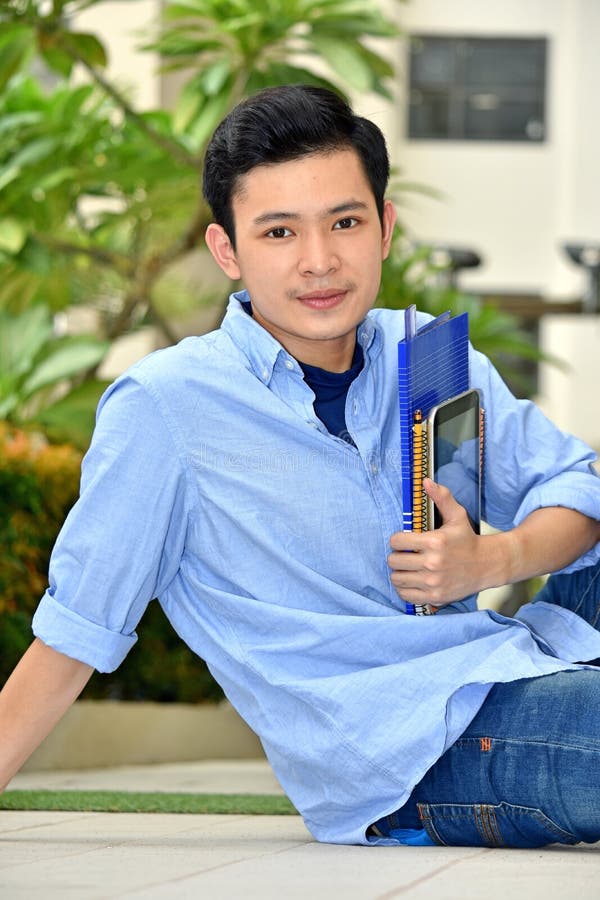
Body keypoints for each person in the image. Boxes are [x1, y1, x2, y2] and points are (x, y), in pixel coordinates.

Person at [1, 84, 600, 849]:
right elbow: (78, 628)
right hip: (410, 752)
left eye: (344, 222)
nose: (320, 262)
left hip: (503, 661)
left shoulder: (429, 354)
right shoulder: (169, 406)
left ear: (383, 227)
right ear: (228, 251)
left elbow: (577, 487)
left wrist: (495, 558)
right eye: (279, 232)